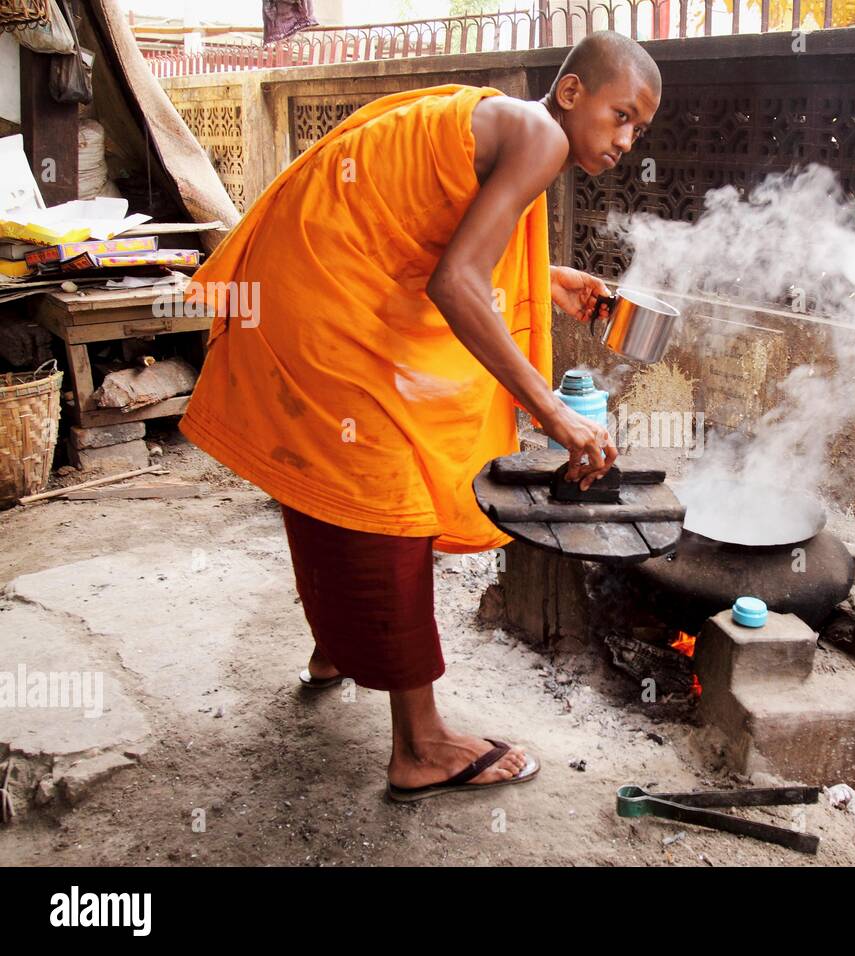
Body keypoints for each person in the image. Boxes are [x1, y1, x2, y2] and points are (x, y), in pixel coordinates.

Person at [178, 31, 662, 801]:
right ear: (572, 94)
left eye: (640, 129)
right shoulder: (538, 135)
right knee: (384, 492)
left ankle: (334, 648)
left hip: (304, 278)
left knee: (329, 477)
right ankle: (420, 745)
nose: (627, 142)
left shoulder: (505, 121)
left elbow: (432, 226)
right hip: (327, 299)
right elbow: (456, 282)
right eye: (621, 116)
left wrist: (548, 276)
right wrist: (552, 413)